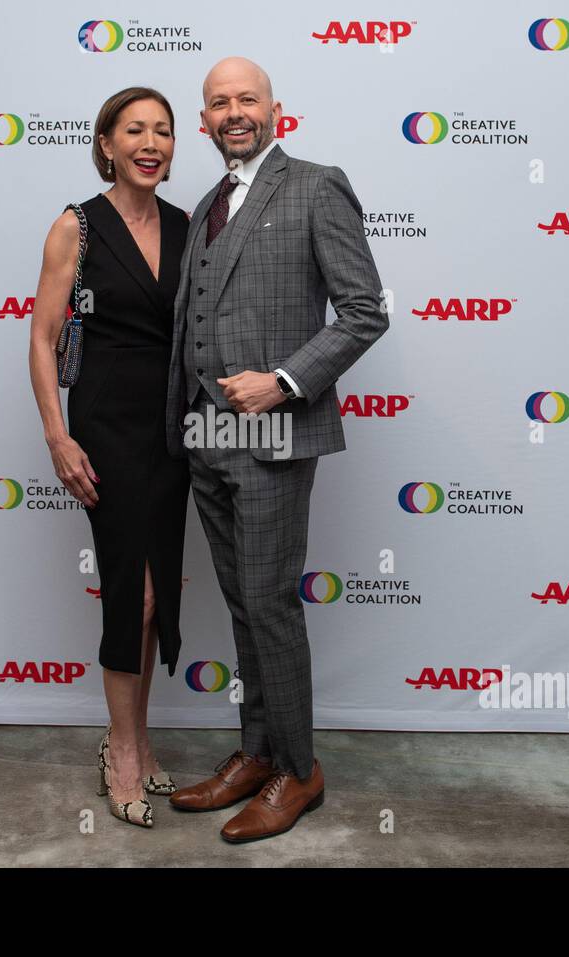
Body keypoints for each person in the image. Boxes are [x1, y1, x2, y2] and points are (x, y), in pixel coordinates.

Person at [164, 57, 388, 841]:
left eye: (246, 99)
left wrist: (286, 381)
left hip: (273, 433)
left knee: (269, 604)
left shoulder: (317, 185)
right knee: (241, 603)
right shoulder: (205, 204)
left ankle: (299, 769)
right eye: (219, 102)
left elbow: (364, 311)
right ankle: (257, 752)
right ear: (204, 121)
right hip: (206, 435)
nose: (234, 112)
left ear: (275, 110)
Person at [29, 87, 191, 828]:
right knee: (136, 591)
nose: (150, 142)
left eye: (162, 130)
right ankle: (122, 752)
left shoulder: (188, 227)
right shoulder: (77, 226)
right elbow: (42, 338)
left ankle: (137, 737)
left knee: (158, 591)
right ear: (106, 143)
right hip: (105, 427)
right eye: (135, 130)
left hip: (171, 431)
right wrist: (58, 436)